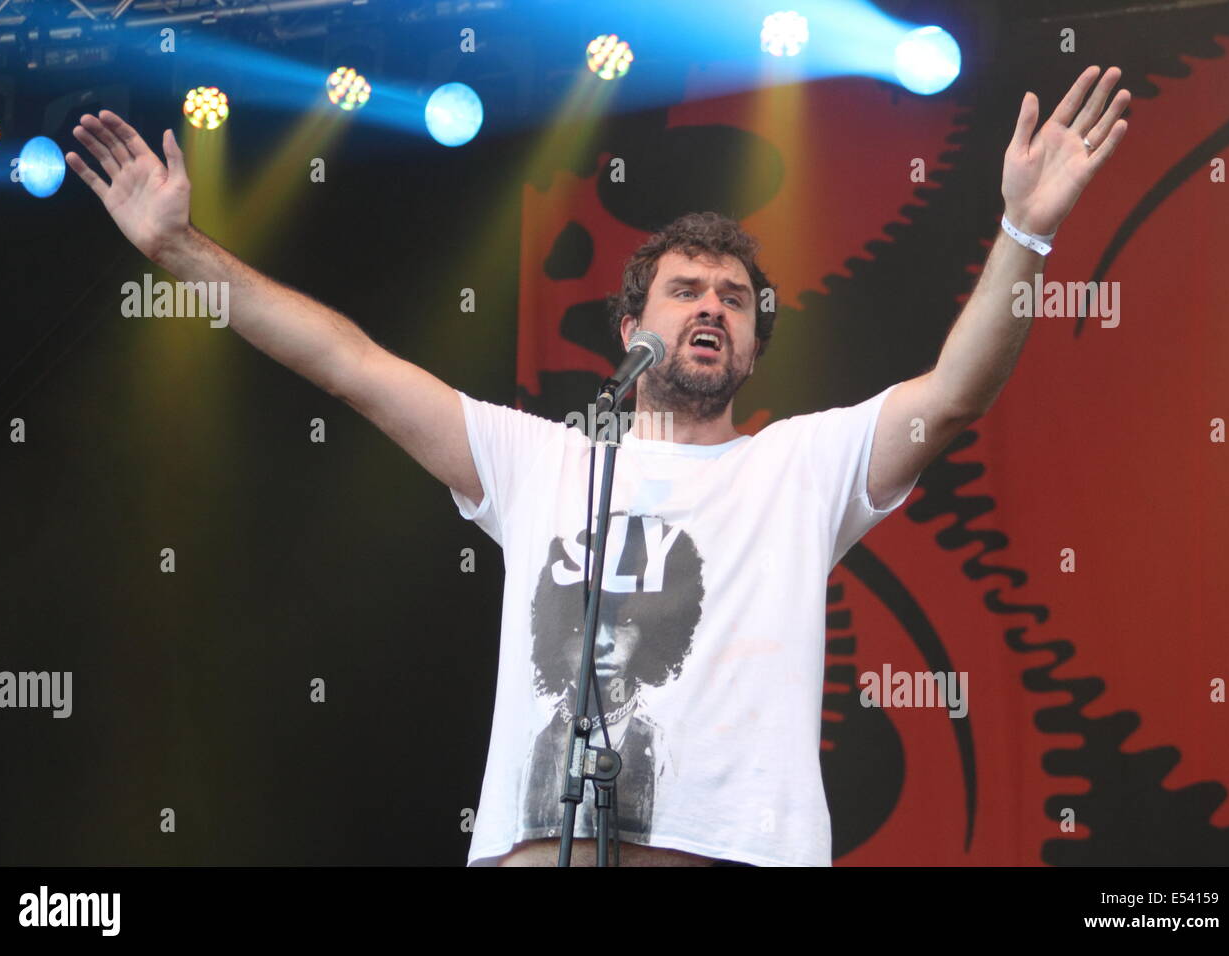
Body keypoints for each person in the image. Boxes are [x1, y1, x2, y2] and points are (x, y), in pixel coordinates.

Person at [65, 65, 1129, 866]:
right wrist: (180, 252)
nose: (711, 305)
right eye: (685, 289)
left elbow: (952, 397)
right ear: (630, 323)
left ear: (754, 346)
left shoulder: (800, 466)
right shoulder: (539, 458)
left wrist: (1022, 236)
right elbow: (350, 364)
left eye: (732, 298)